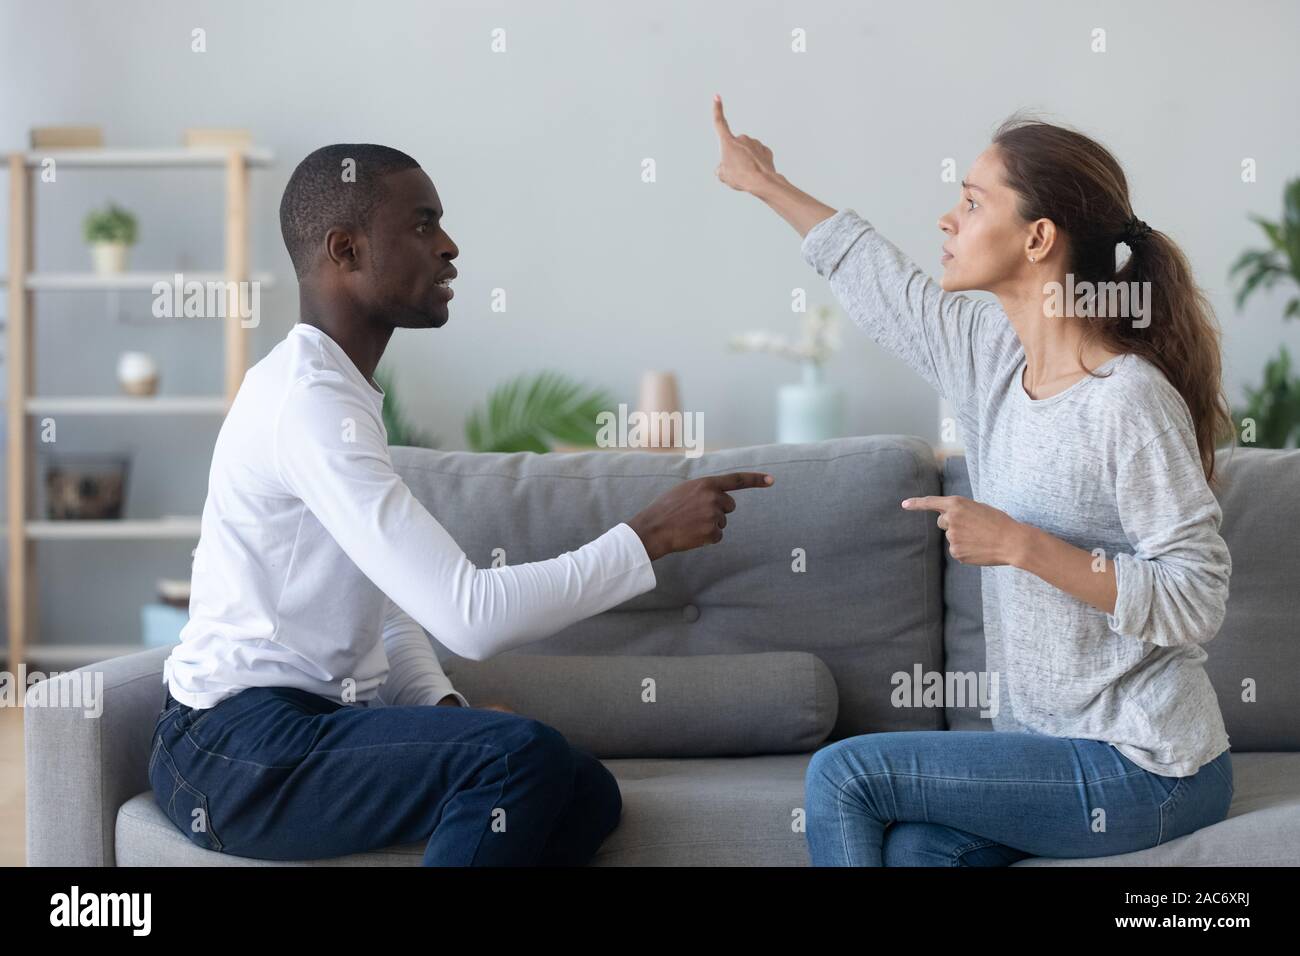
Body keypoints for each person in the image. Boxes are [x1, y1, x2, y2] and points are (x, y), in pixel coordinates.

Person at [152, 143, 773, 866]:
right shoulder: (308, 403)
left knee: (586, 790)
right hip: (231, 752)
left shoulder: (340, 395)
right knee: (517, 759)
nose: (449, 247)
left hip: (300, 730)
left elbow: (386, 606)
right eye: (422, 225)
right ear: (345, 250)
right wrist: (645, 538)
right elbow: (468, 616)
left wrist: (445, 711)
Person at [711, 95, 1235, 866]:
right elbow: (878, 279)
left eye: (970, 201)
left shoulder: (1125, 399)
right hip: (1043, 753)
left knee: (845, 775)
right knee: (918, 850)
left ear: (1039, 238)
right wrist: (764, 181)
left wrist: (1024, 546)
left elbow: (1198, 598)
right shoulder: (991, 355)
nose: (946, 221)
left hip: (1147, 765)